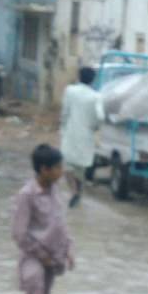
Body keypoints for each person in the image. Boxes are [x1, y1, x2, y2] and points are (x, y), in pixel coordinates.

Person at [13, 145, 75, 294]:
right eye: (57, 167)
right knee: (35, 293)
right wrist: (41, 256)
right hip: (33, 255)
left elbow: (60, 222)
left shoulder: (55, 190)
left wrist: (68, 248)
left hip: (54, 254)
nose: (61, 171)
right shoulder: (27, 195)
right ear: (44, 169)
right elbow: (19, 233)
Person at [59, 66, 104, 208]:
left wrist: (63, 127)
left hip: (71, 132)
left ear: (79, 77)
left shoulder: (70, 91)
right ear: (93, 80)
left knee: (67, 166)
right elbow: (100, 117)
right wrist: (94, 127)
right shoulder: (96, 96)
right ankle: (78, 192)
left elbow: (65, 112)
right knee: (80, 168)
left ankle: (74, 191)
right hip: (87, 135)